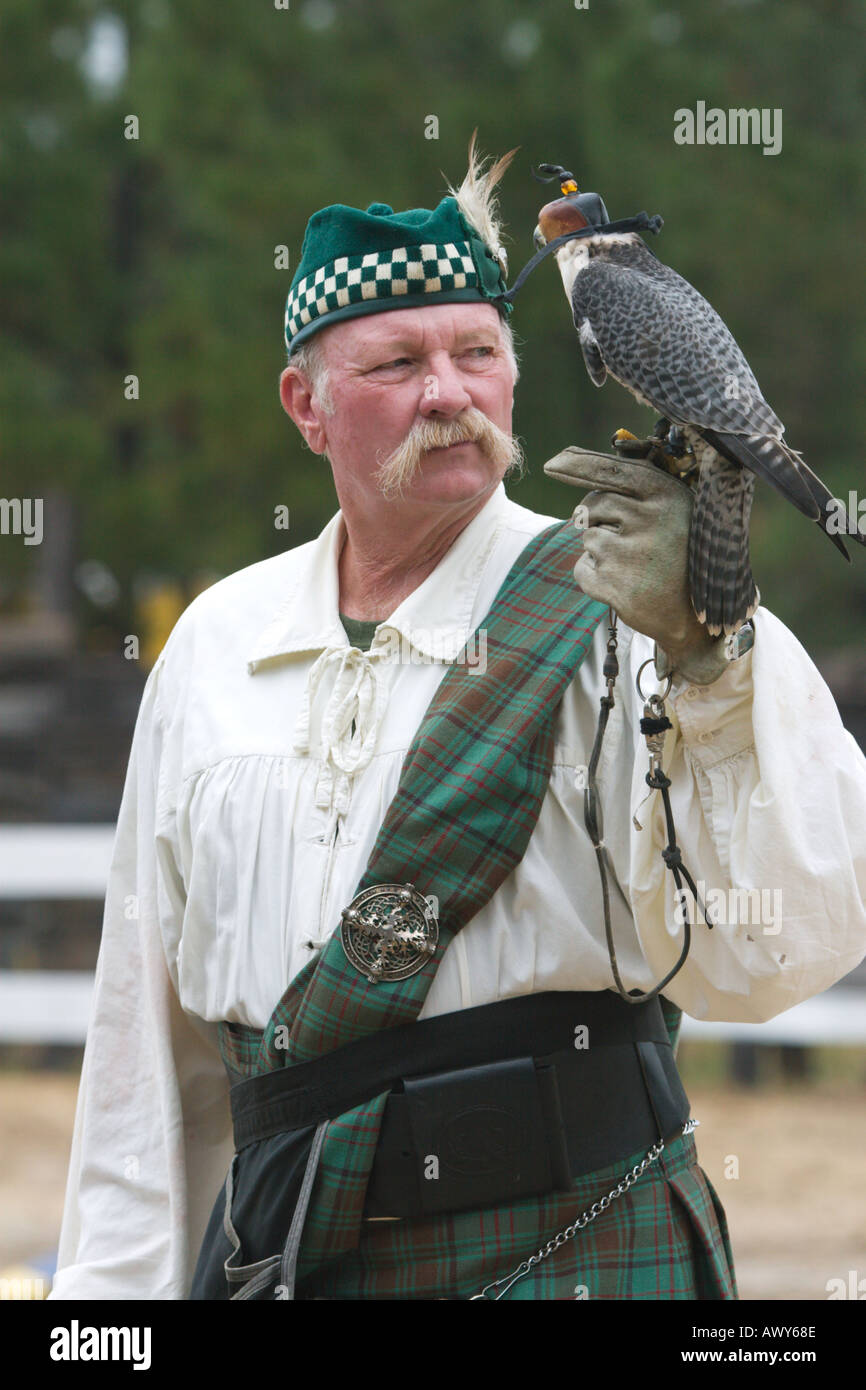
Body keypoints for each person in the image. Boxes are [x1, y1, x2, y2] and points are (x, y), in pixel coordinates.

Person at [50, 148, 866, 1301]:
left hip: (579, 1249)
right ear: (306, 405)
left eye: (476, 352)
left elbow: (784, 946)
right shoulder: (214, 646)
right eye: (397, 362)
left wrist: (708, 655)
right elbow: (150, 1053)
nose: (449, 393)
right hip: (298, 1261)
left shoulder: (633, 605)